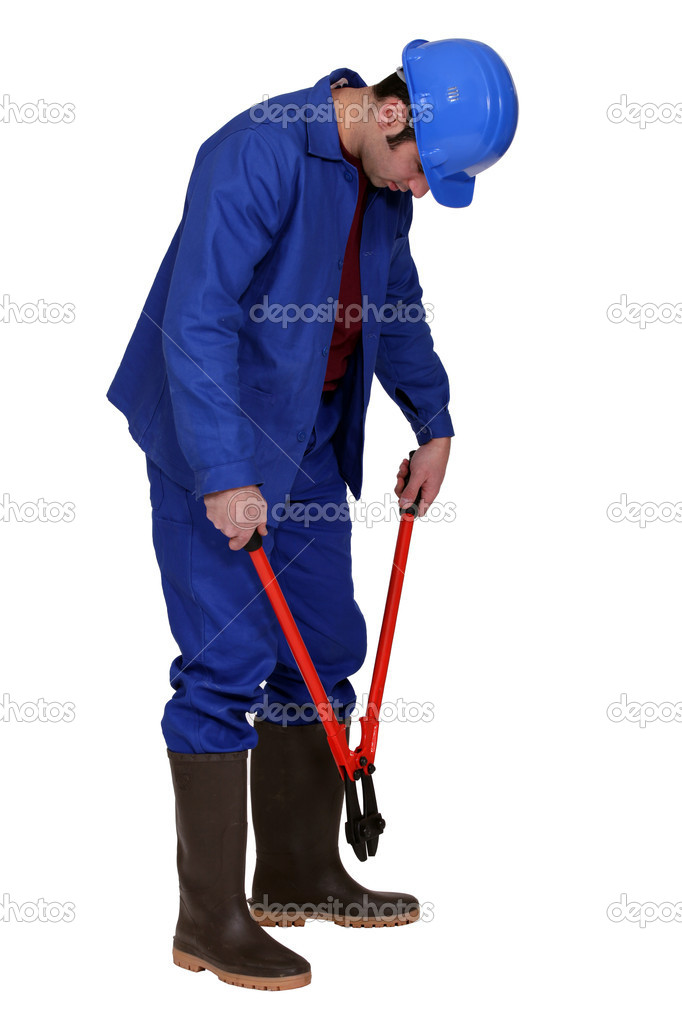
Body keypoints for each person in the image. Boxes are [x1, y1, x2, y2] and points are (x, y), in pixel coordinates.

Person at [106, 38, 518, 991]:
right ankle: (209, 919)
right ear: (390, 113)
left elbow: (396, 307)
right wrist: (221, 472)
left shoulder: (380, 190)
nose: (421, 191)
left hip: (306, 446)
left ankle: (296, 870)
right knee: (225, 666)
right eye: (424, 170)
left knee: (325, 646)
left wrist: (435, 419)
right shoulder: (255, 150)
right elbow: (198, 315)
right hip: (215, 443)